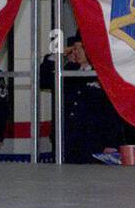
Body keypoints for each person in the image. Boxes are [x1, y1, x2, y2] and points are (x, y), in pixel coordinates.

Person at [39, 34, 126, 164]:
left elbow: (113, 112)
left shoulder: (103, 74)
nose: (76, 52)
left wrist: (112, 142)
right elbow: (44, 81)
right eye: (74, 48)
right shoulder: (68, 71)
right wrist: (58, 54)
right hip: (66, 141)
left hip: (95, 142)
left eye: (80, 48)